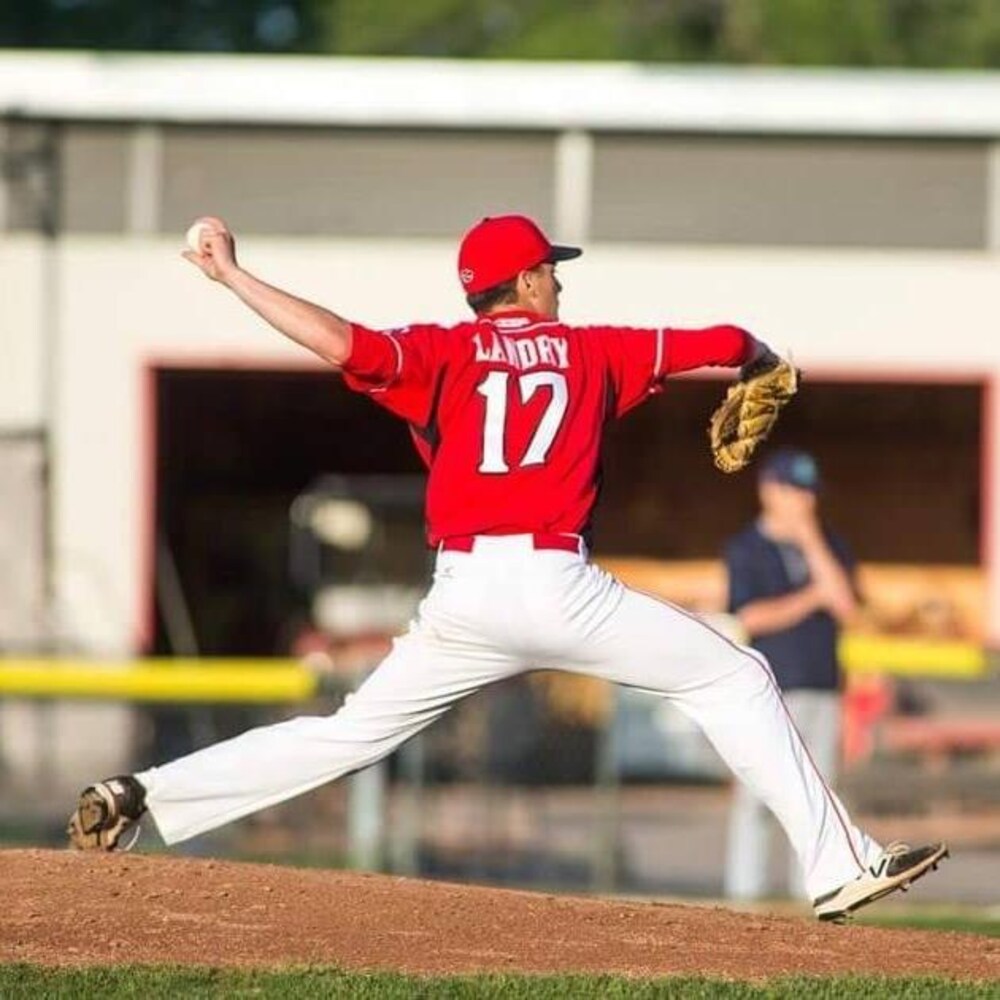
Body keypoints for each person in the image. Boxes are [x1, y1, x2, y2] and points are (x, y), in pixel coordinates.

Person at [68, 213, 946, 921]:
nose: (559, 279)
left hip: (463, 597)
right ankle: (840, 864)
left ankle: (143, 792)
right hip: (560, 586)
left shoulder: (441, 352)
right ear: (526, 281)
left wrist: (231, 276)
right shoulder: (595, 348)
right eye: (550, 269)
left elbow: (340, 342)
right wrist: (757, 356)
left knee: (344, 734)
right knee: (735, 676)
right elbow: (717, 338)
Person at [723, 449, 856, 902]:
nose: (805, 501)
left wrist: (811, 540)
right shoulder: (747, 548)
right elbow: (751, 616)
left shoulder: (830, 544)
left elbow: (845, 605)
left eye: (809, 493)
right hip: (770, 691)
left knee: (821, 800)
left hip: (824, 689)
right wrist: (809, 598)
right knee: (757, 797)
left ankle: (818, 893)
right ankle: (744, 895)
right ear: (769, 490)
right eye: (795, 491)